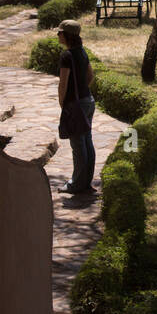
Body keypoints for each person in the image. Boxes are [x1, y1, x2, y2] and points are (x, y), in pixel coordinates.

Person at [56, 20, 96, 195]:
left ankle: (76, 185)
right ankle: (85, 182)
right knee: (87, 141)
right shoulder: (82, 52)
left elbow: (63, 83)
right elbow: (90, 75)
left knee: (78, 146)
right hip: (88, 101)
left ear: (66, 35)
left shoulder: (67, 56)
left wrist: (63, 102)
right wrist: (83, 89)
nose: (57, 35)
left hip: (75, 105)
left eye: (60, 32)